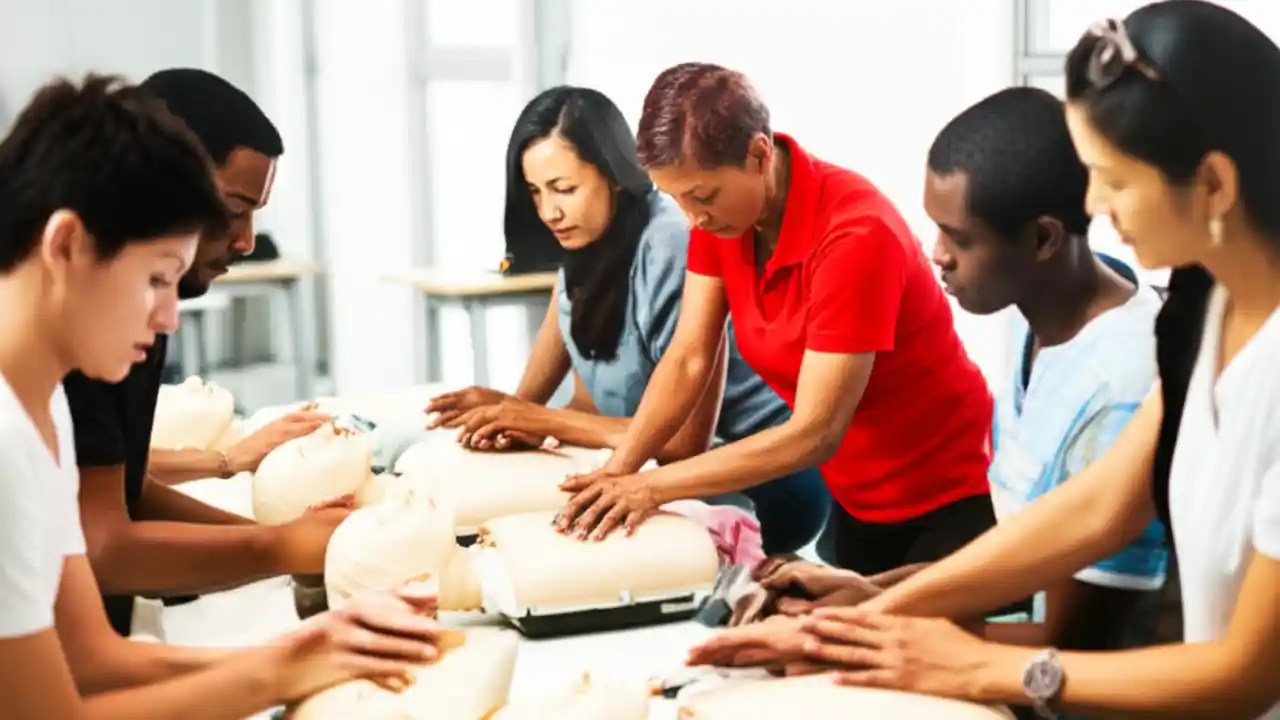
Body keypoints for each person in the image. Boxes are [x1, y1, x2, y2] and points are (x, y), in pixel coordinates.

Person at [688, 3, 1280, 717]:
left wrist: (979, 666)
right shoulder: (1201, 300)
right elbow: (1097, 508)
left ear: (1214, 184)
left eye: (1115, 181)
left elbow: (1248, 673)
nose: (1093, 204)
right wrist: (870, 615)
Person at [0, 73, 441, 720]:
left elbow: (91, 660)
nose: (170, 318)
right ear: (67, 245)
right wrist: (279, 668)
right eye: (157, 279)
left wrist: (313, 653)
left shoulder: (46, 413)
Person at [757, 87, 1170, 653]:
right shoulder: (1044, 320)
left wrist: (867, 627)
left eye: (961, 238)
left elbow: (1072, 637)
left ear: (1044, 238)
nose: (937, 253)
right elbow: (1022, 547)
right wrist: (871, 590)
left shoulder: (1121, 381)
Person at [552, 62, 996, 578]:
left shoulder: (855, 236)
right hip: (858, 500)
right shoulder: (721, 222)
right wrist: (618, 473)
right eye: (675, 198)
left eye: (702, 196)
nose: (690, 217)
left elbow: (815, 431)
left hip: (951, 497)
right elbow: (690, 357)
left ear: (760, 154)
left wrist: (651, 487)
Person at [425, 86, 830, 554]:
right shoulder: (581, 248)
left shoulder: (670, 245)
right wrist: (505, 413)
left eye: (564, 189)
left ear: (615, 175)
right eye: (536, 192)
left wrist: (537, 418)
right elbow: (583, 405)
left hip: (758, 477)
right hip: (660, 466)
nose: (549, 211)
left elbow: (681, 443)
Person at [63, 68, 337, 637]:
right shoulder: (95, 309)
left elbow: (122, 489)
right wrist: (278, 548)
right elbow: (104, 545)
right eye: (235, 212)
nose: (246, 242)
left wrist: (283, 548)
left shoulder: (139, 295)